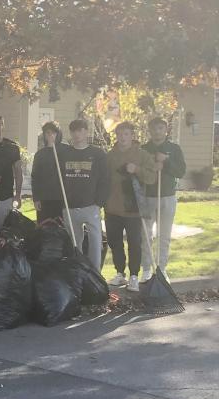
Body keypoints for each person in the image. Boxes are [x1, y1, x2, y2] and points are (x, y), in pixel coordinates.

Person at [105, 122, 157, 291]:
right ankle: (120, 273)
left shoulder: (142, 155)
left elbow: (151, 177)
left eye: (126, 134)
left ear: (132, 135)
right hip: (112, 206)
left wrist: (137, 169)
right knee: (115, 242)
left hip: (133, 207)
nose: (123, 137)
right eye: (120, 134)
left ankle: (134, 275)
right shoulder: (109, 156)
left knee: (134, 242)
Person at [61, 118, 110, 271]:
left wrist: (99, 203)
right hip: (69, 206)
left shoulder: (97, 153)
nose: (77, 134)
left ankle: (95, 272)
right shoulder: (64, 153)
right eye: (74, 131)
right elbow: (59, 177)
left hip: (91, 205)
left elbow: (105, 179)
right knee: (75, 242)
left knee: (95, 241)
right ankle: (78, 270)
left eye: (80, 130)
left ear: (86, 132)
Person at [140, 117, 186, 280]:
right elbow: (139, 172)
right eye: (154, 128)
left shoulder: (173, 149)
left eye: (160, 128)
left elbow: (181, 171)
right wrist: (153, 165)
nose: (157, 131)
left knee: (164, 235)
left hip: (168, 197)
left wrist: (166, 161)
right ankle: (146, 268)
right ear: (149, 130)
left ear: (165, 130)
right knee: (146, 235)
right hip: (148, 197)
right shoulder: (144, 149)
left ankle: (161, 268)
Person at [30, 121, 68, 223]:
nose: (50, 135)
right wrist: (36, 198)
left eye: (53, 133)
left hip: (62, 198)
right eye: (48, 133)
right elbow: (35, 177)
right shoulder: (40, 154)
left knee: (62, 228)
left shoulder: (67, 151)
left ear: (58, 134)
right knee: (44, 227)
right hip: (44, 198)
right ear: (44, 135)